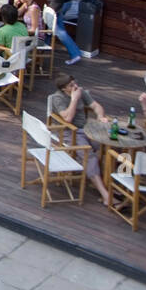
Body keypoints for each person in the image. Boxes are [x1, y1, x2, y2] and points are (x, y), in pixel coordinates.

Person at [48, 74, 114, 207]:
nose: (75, 86)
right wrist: (74, 100)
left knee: (110, 145)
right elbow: (67, 119)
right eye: (71, 85)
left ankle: (109, 182)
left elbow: (96, 106)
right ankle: (105, 194)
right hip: (68, 132)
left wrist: (100, 116)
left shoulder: (81, 92)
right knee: (89, 156)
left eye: (75, 83)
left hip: (86, 129)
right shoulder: (57, 98)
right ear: (63, 89)